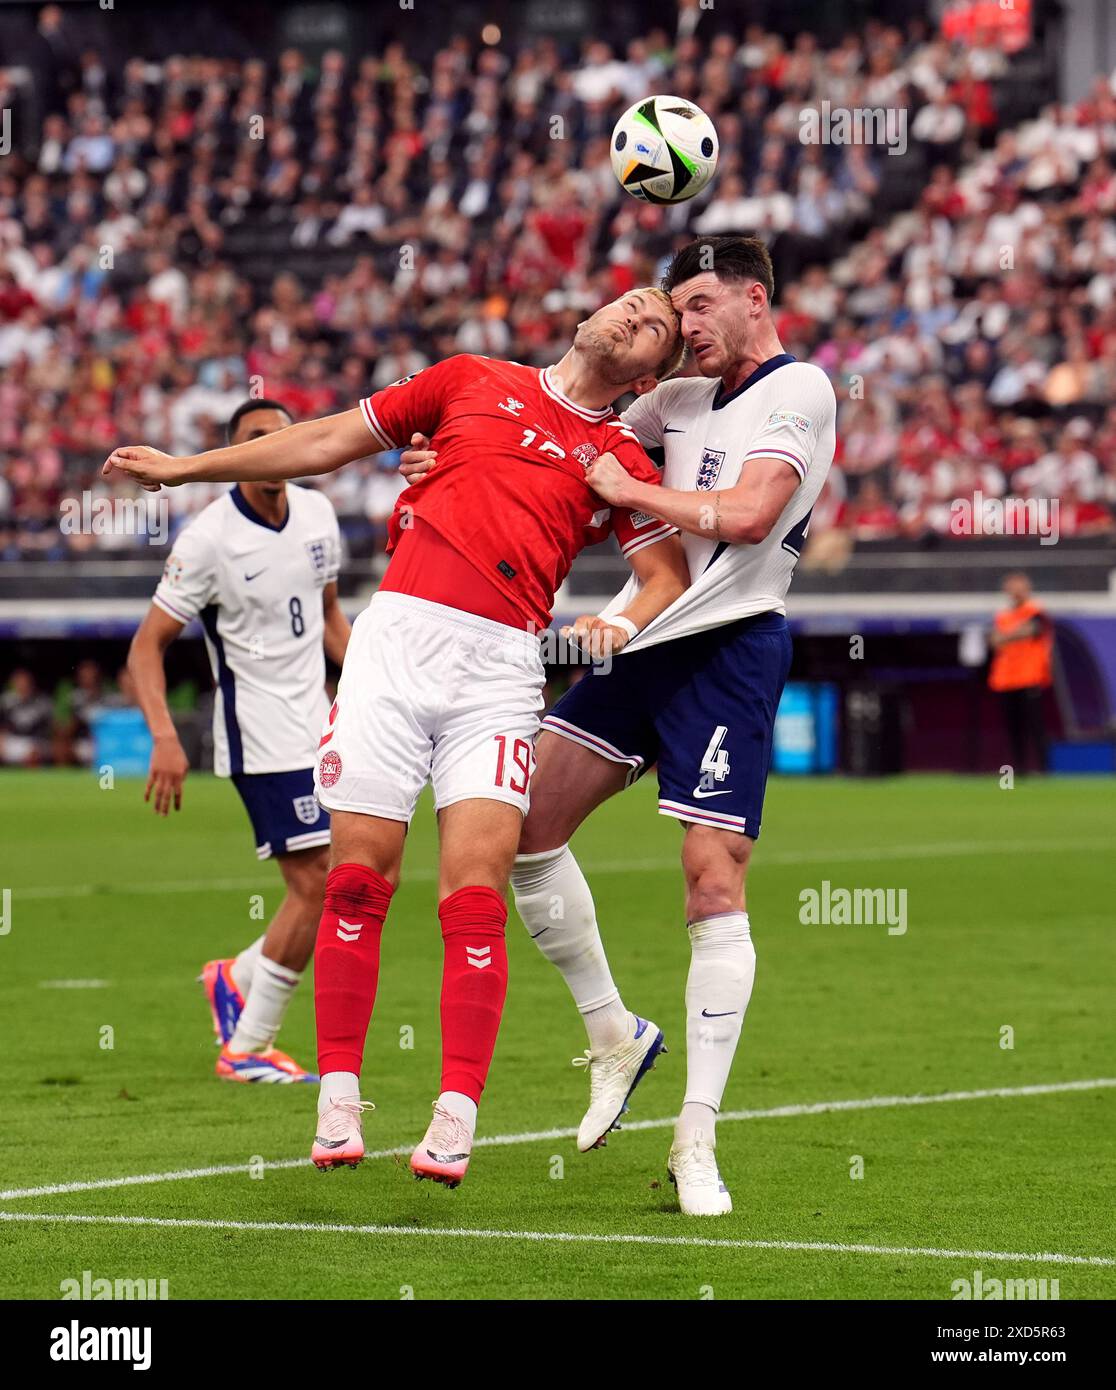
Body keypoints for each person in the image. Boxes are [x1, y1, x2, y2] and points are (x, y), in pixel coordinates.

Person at [104, 290, 690, 1187]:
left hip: (500, 666)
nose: (629, 313)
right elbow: (327, 439)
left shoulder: (615, 456)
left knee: (476, 897)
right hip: (396, 641)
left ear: (648, 373)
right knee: (353, 882)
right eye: (628, 301)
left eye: (649, 323)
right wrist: (186, 469)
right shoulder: (469, 380)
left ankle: (455, 1116)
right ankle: (337, 1096)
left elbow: (662, 573)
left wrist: (613, 625)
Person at [401, 235, 836, 1215]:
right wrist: (446, 454)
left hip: (728, 649)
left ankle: (697, 1137)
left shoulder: (801, 387)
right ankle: (614, 1032)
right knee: (521, 830)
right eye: (675, 308)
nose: (685, 325)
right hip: (641, 649)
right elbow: (561, 434)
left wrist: (635, 490)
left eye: (701, 304)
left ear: (755, 300)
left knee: (711, 872)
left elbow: (754, 511)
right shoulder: (669, 403)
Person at [127, 398, 350, 1083]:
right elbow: (145, 648)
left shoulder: (318, 513)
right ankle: (248, 1047)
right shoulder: (208, 538)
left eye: (282, 436)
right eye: (256, 439)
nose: (273, 448)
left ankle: (235, 977)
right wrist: (166, 737)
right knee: (315, 884)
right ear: (235, 451)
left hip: (320, 725)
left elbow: (330, 618)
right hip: (257, 733)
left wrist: (374, 691)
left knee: (352, 878)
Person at [988, 571, 1053, 774]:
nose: (1014, 590)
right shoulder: (1003, 615)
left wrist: (1006, 636)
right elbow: (993, 640)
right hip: (1006, 678)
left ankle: (1044, 769)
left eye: (1019, 586)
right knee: (1013, 727)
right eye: (1011, 586)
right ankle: (1019, 768)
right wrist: (1013, 634)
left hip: (1029, 676)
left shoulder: (1035, 610)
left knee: (1035, 725)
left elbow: (1032, 630)